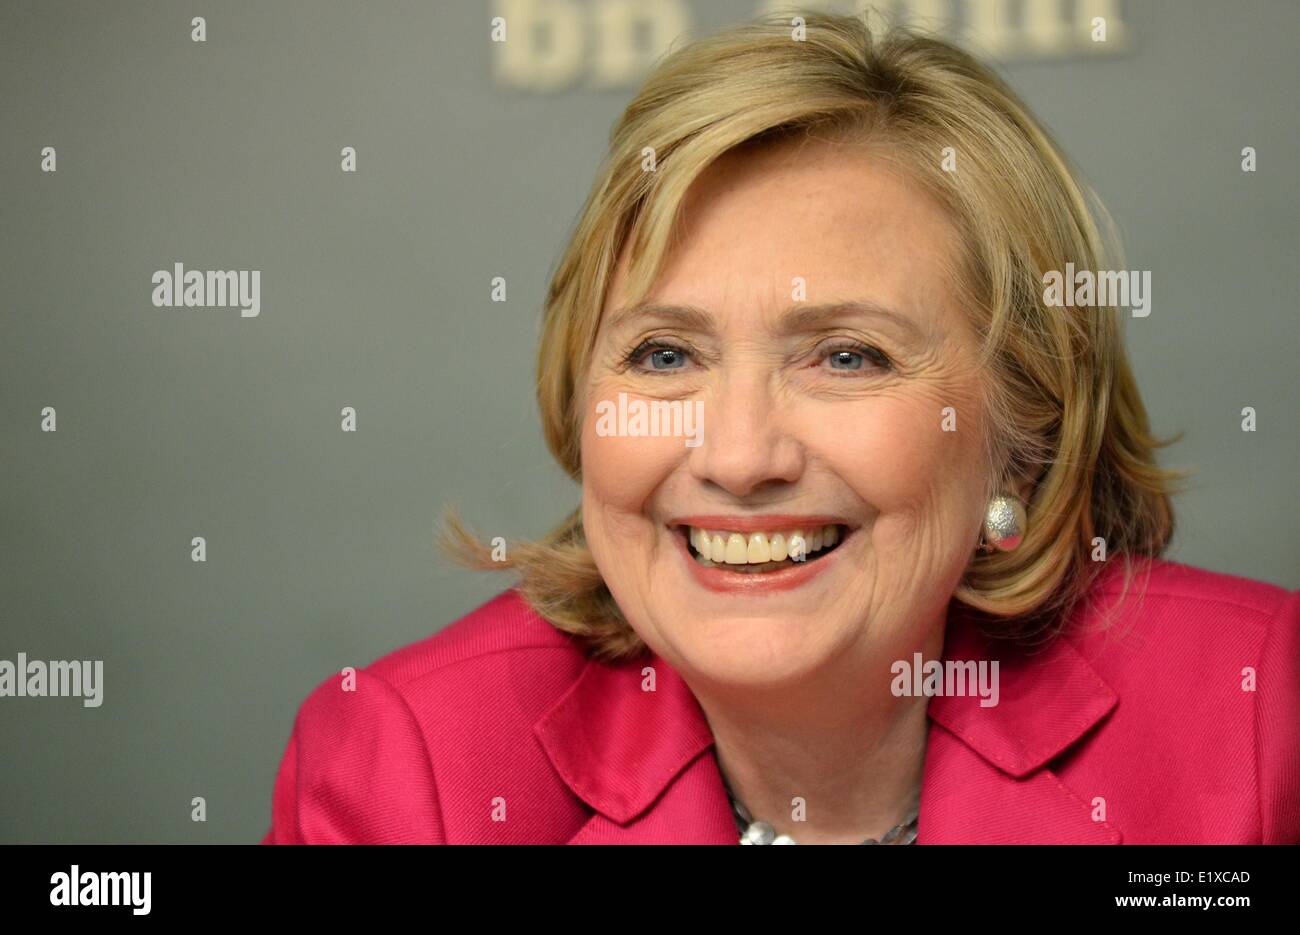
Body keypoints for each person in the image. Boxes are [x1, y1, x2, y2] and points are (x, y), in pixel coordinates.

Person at [262, 11, 1299, 845]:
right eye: (665, 355)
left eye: (847, 356)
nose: (739, 455)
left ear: (1024, 425)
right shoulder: (412, 774)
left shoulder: (1262, 719)